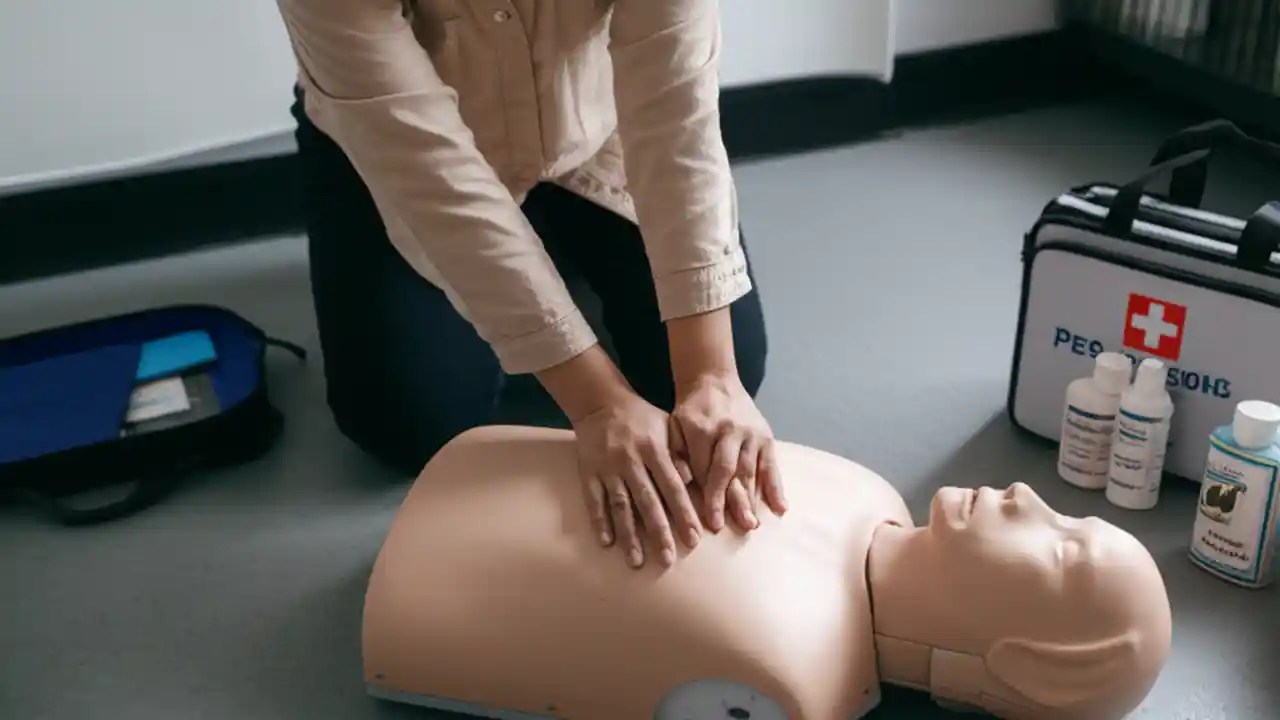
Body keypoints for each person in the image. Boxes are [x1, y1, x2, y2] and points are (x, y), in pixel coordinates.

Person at [273, 0, 785, 569]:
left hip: (595, 134)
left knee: (727, 369)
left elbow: (675, 110)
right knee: (408, 421)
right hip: (401, 152)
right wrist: (598, 405)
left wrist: (710, 375)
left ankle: (544, 257)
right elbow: (431, 173)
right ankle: (525, 270)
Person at [362, 426, 1173, 720]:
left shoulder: (788, 674)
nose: (1032, 496)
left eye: (1063, 548)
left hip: (428, 590)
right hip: (480, 498)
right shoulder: (866, 493)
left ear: (1028, 661)